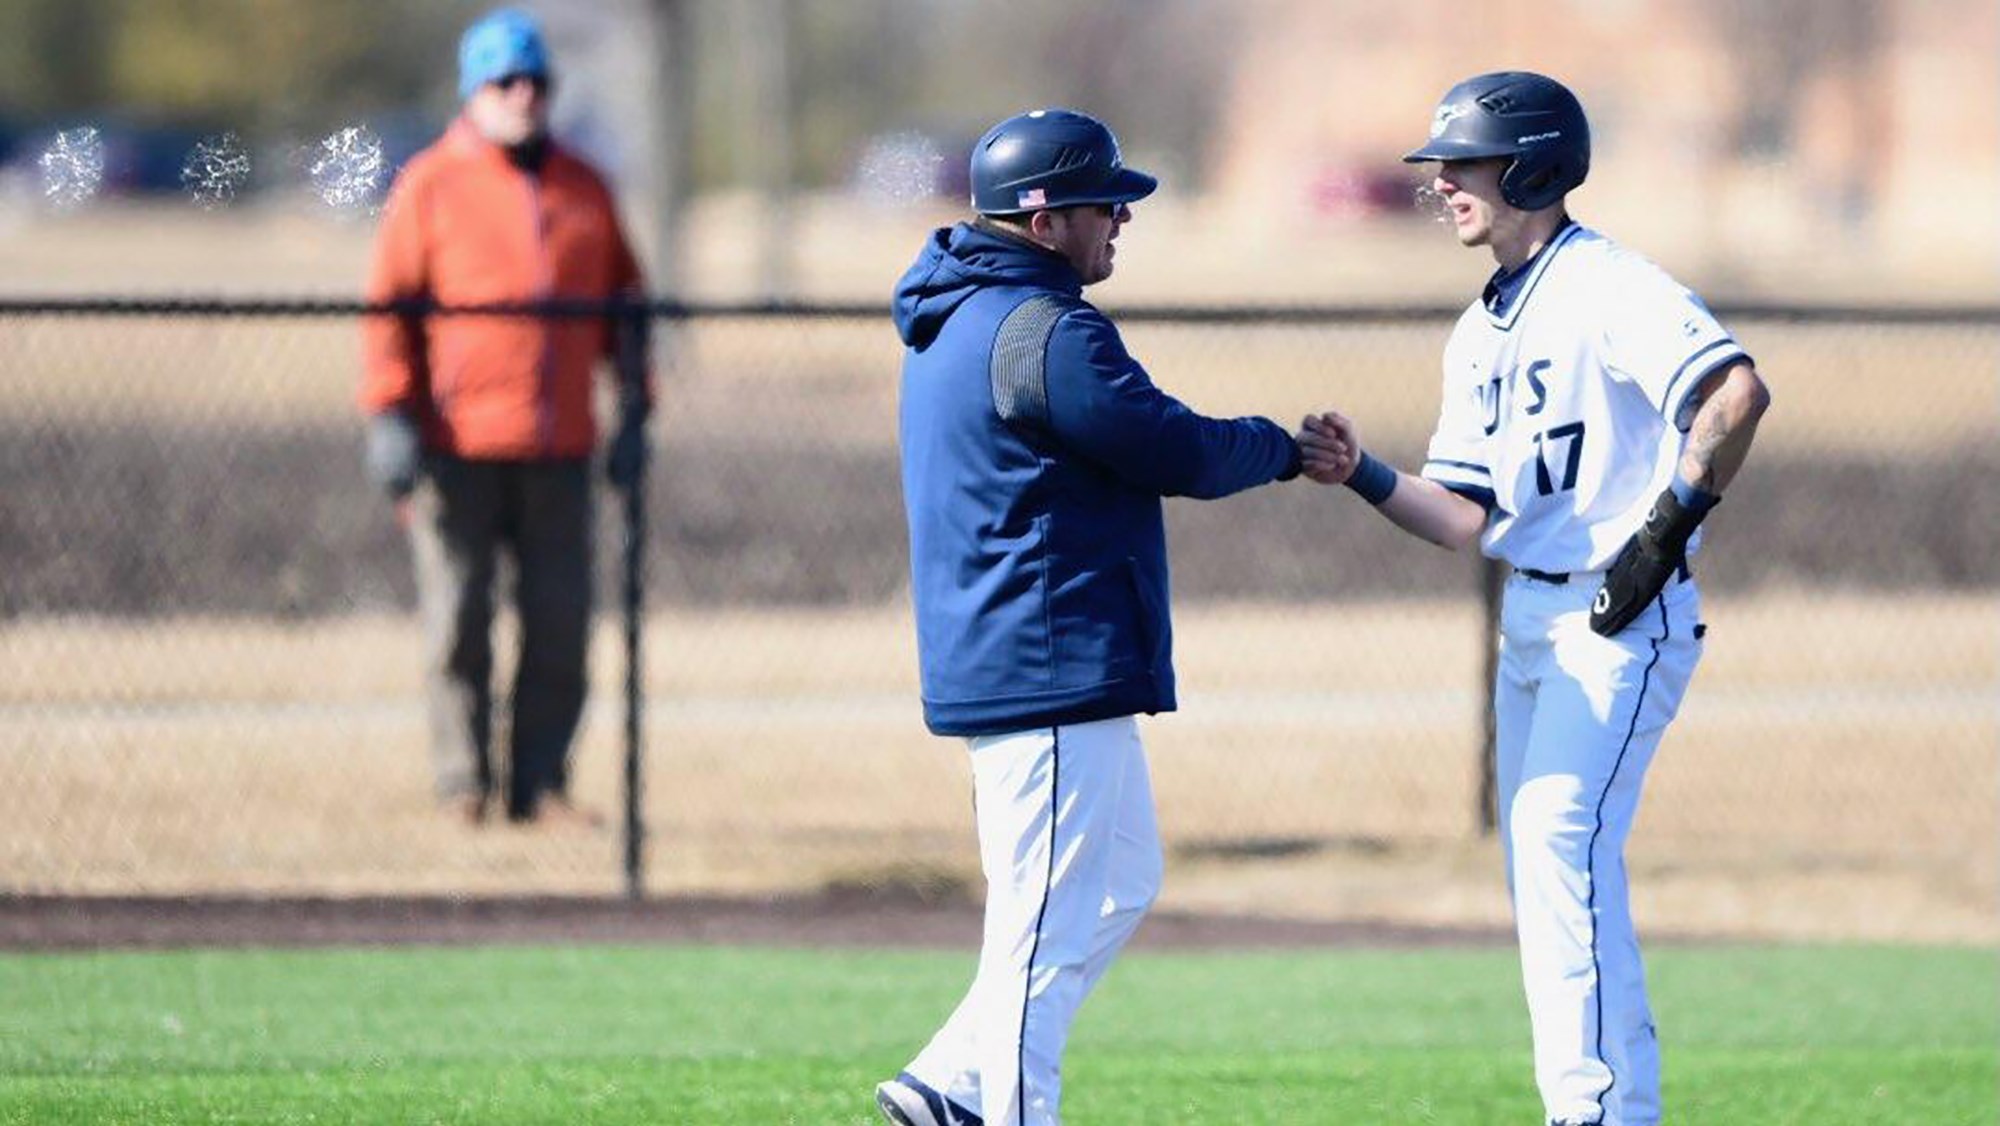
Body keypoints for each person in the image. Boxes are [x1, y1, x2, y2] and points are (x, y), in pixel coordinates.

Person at [1299, 72, 1771, 1126]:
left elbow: (1732, 393)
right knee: (1544, 870)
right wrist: (1362, 472)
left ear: (1530, 163)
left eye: (1461, 163)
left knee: (1562, 842)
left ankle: (1601, 1111)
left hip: (1615, 616)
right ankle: (1597, 1099)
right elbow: (1462, 516)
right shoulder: (1478, 328)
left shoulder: (1606, 285)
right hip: (1529, 613)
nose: (1442, 184)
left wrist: (1662, 532)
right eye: (1439, 167)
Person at [876, 108, 1308, 1126]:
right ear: (1040, 217)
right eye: (1101, 201)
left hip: (1020, 655)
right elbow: (1172, 448)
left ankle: (950, 1081)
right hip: (1044, 658)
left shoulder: (960, 313)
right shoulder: (1040, 328)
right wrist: (1277, 447)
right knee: (1038, 920)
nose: (1119, 216)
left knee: (1117, 879)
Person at [359, 7, 649, 827]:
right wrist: (389, 416)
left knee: (560, 625)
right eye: (505, 81)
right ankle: (463, 784)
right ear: (474, 91)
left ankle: (541, 784)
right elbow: (388, 313)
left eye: (536, 81)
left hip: (560, 446)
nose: (524, 95)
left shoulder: (584, 187)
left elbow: (626, 310)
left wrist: (634, 410)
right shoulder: (430, 185)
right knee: (459, 623)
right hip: (457, 448)